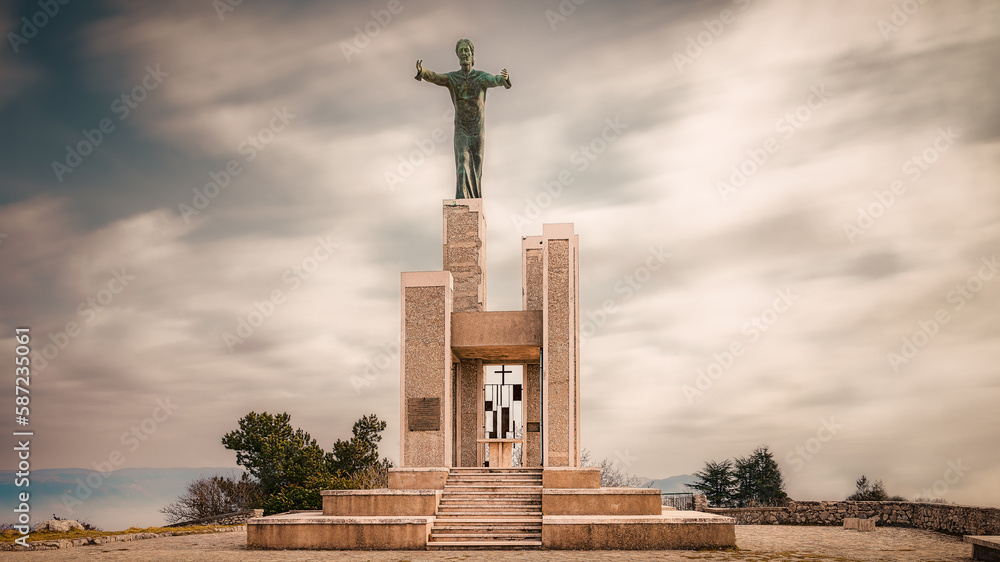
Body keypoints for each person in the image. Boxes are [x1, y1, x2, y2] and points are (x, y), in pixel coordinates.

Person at [415, 39, 511, 199]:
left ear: (472, 55)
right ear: (458, 56)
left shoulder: (481, 77)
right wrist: (422, 71)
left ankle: (474, 201)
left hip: (477, 129)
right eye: (461, 51)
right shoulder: (453, 79)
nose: (464, 53)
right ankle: (462, 200)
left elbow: (496, 80)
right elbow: (436, 77)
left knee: (477, 163)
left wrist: (504, 79)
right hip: (462, 129)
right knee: (462, 161)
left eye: (467, 50)